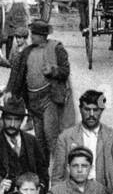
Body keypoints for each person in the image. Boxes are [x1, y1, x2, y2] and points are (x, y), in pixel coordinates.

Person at [5, 18, 73, 155]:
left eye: (33, 34)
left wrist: (53, 70)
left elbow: (65, 70)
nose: (31, 36)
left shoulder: (56, 48)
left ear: (42, 35)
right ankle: (43, 172)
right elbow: (17, 73)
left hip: (49, 99)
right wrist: (10, 91)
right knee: (40, 139)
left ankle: (56, 170)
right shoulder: (27, 51)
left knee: (50, 136)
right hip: (33, 102)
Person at [49, 89, 113, 191]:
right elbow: (57, 176)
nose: (91, 114)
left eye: (96, 110)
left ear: (101, 110)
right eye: (87, 109)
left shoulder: (111, 136)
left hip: (103, 193)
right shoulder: (66, 137)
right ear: (80, 109)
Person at [0, 98, 49, 194]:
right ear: (2, 119)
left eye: (16, 120)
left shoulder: (32, 142)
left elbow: (43, 172)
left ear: (22, 121)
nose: (12, 124)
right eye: (9, 119)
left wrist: (39, 190)